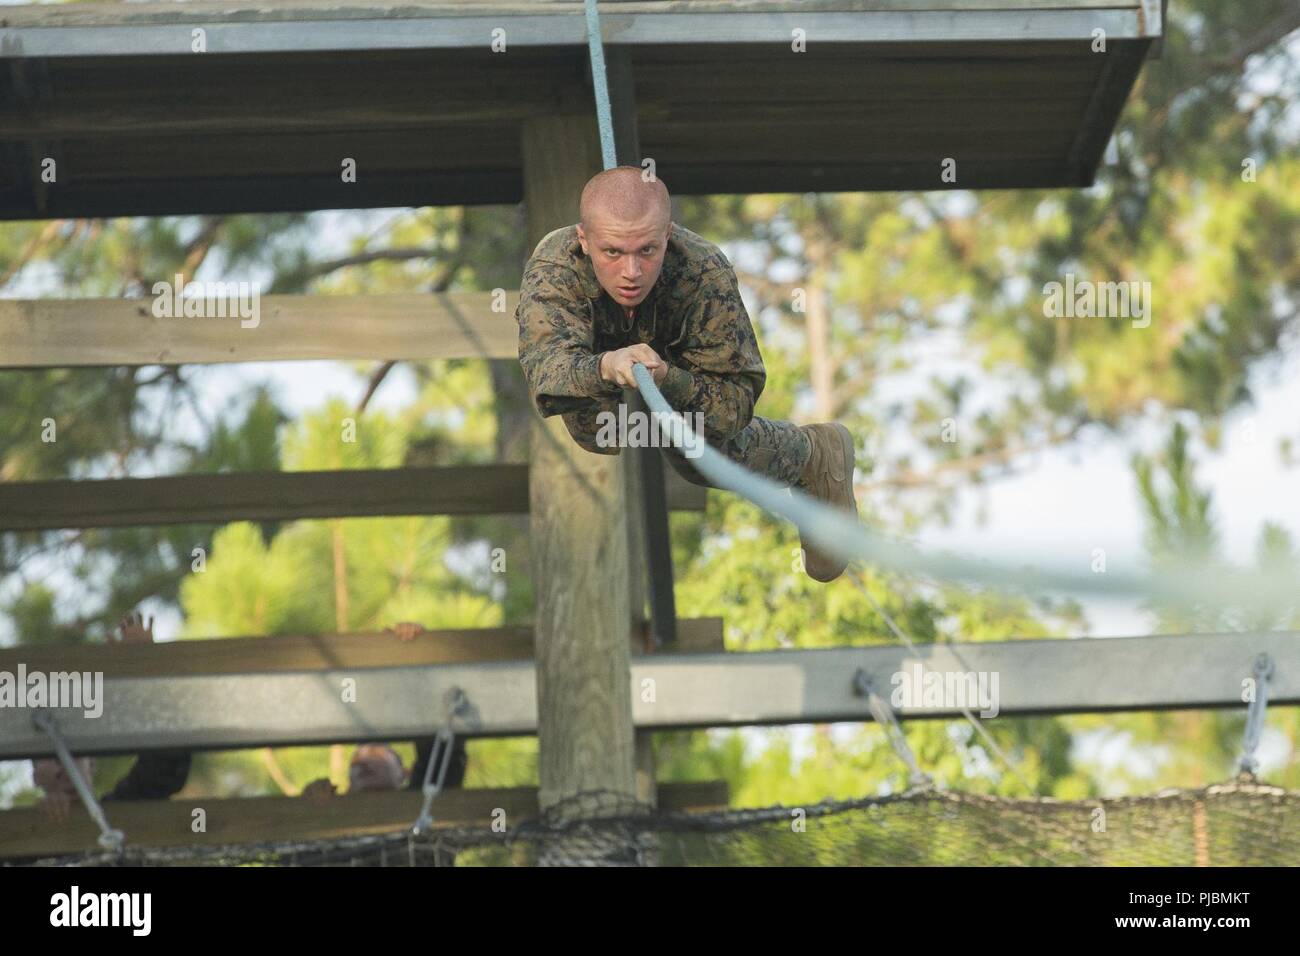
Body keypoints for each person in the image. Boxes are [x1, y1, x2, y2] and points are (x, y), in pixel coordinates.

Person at [515, 165, 860, 581]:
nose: (631, 272)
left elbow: (733, 406)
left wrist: (668, 380)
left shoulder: (703, 271)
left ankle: (810, 453)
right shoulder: (556, 264)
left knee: (696, 454)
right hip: (600, 367)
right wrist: (606, 365)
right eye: (612, 253)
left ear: (668, 235)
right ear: (584, 240)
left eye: (647, 251)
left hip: (681, 368)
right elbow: (547, 370)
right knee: (594, 427)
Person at [32, 612, 192, 821]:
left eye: (72, 754)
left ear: (91, 765)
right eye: (52, 757)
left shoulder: (125, 810)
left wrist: (142, 668)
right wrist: (43, 826)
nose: (62, 769)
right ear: (36, 777)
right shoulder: (16, 838)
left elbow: (165, 765)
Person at [301, 622, 467, 801]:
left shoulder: (422, 805)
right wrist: (309, 806)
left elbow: (443, 756)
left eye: (375, 753)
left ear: (403, 773)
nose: (363, 761)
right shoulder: (336, 816)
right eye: (356, 759)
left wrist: (409, 652)